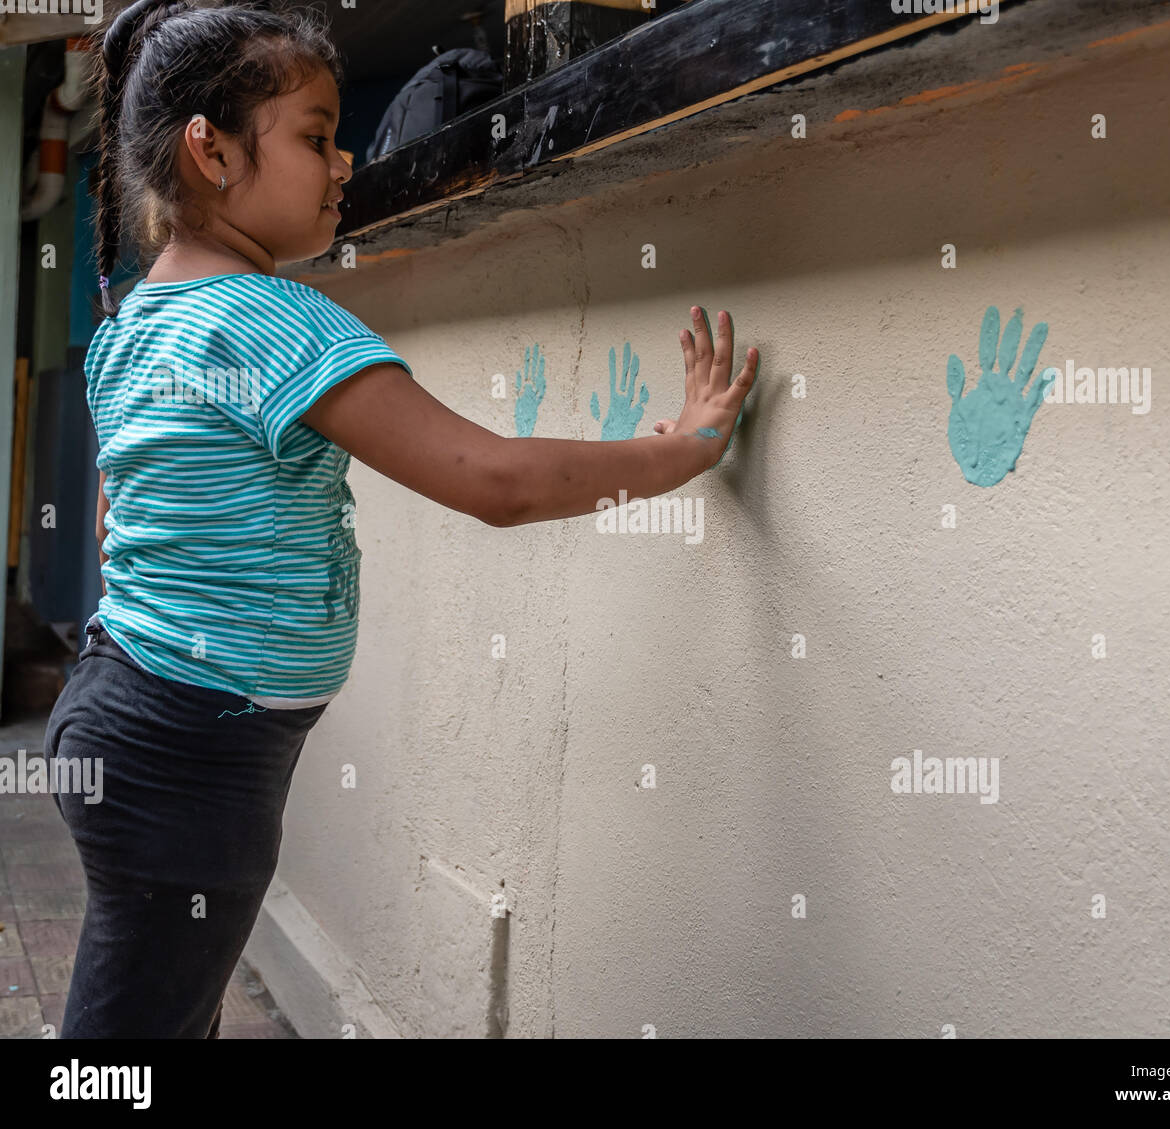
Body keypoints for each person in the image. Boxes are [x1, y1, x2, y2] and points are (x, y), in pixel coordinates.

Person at [41, 0, 756, 1038]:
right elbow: (494, 483)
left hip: (128, 710)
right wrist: (679, 453)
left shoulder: (134, 322)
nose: (347, 163)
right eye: (317, 137)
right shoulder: (275, 322)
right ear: (211, 153)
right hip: (190, 755)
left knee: (153, 1013)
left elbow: (120, 511)